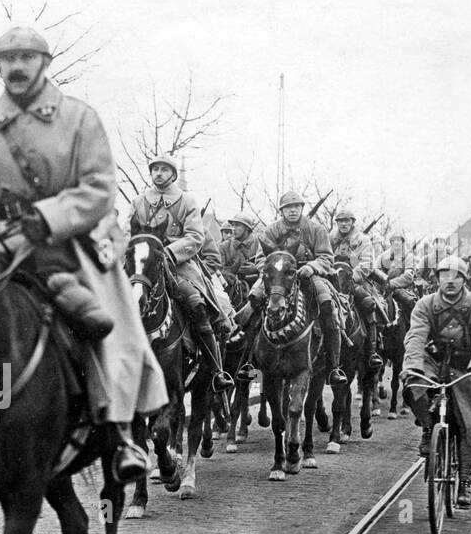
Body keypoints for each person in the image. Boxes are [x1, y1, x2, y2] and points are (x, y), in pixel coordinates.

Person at [0, 25, 167, 482]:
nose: (15, 66)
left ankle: (121, 430)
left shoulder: (80, 119)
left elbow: (99, 189)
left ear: (45, 63)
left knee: (106, 323)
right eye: (6, 59)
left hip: (66, 248)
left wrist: (45, 218)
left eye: (25, 57)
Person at [128, 153, 234, 392]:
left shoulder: (187, 201)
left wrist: (167, 253)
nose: (159, 173)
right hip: (143, 263)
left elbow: (196, 236)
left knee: (196, 304)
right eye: (155, 169)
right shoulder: (138, 202)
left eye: (164, 170)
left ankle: (216, 370)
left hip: (178, 263)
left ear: (173, 174)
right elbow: (127, 232)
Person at [402, 255, 471, 509]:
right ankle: (427, 426)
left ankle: (465, 482)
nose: (449, 281)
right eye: (443, 276)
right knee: (415, 384)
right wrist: (412, 365)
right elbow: (416, 337)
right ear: (436, 280)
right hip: (433, 360)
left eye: (456, 276)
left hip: (466, 364)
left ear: (465, 280)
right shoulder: (425, 304)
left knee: (469, 422)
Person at [241, 190, 345, 385]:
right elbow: (260, 258)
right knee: (252, 305)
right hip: (276, 277)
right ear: (282, 211)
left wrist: (311, 266)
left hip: (308, 275)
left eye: (296, 207)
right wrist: (272, 267)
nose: (292, 211)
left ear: (302, 208)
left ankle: (334, 366)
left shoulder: (316, 229)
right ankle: (248, 363)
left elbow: (326, 257)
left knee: (328, 304)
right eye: (288, 208)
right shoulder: (270, 231)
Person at [329, 207, 384, 370]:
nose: (344, 224)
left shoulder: (363, 240)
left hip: (356, 280)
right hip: (333, 279)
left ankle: (372, 350)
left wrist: (351, 277)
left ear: (353, 222)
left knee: (369, 304)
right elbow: (324, 256)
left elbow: (366, 264)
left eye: (347, 221)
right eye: (340, 221)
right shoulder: (330, 237)